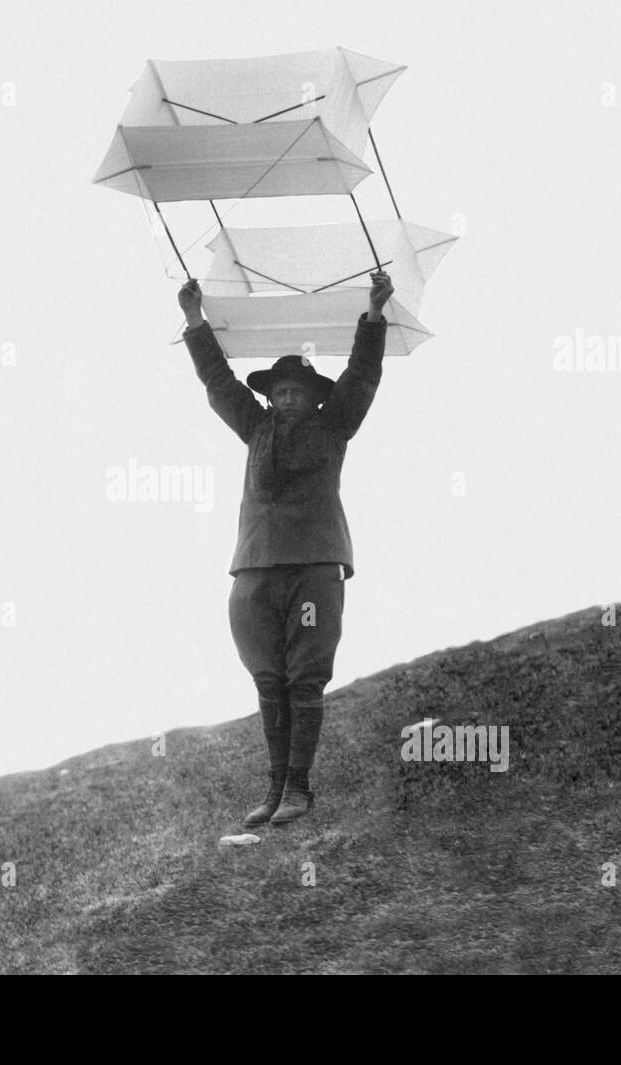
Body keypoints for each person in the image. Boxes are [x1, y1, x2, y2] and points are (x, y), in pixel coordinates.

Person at [179, 272, 393, 826]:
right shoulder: (253, 429)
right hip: (252, 571)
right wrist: (195, 321)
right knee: (268, 679)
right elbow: (219, 381)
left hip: (315, 568)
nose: (288, 397)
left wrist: (373, 315)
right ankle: (274, 792)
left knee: (305, 677)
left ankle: (298, 790)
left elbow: (363, 373)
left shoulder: (335, 427)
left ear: (314, 397)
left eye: (297, 391)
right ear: (269, 398)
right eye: (279, 391)